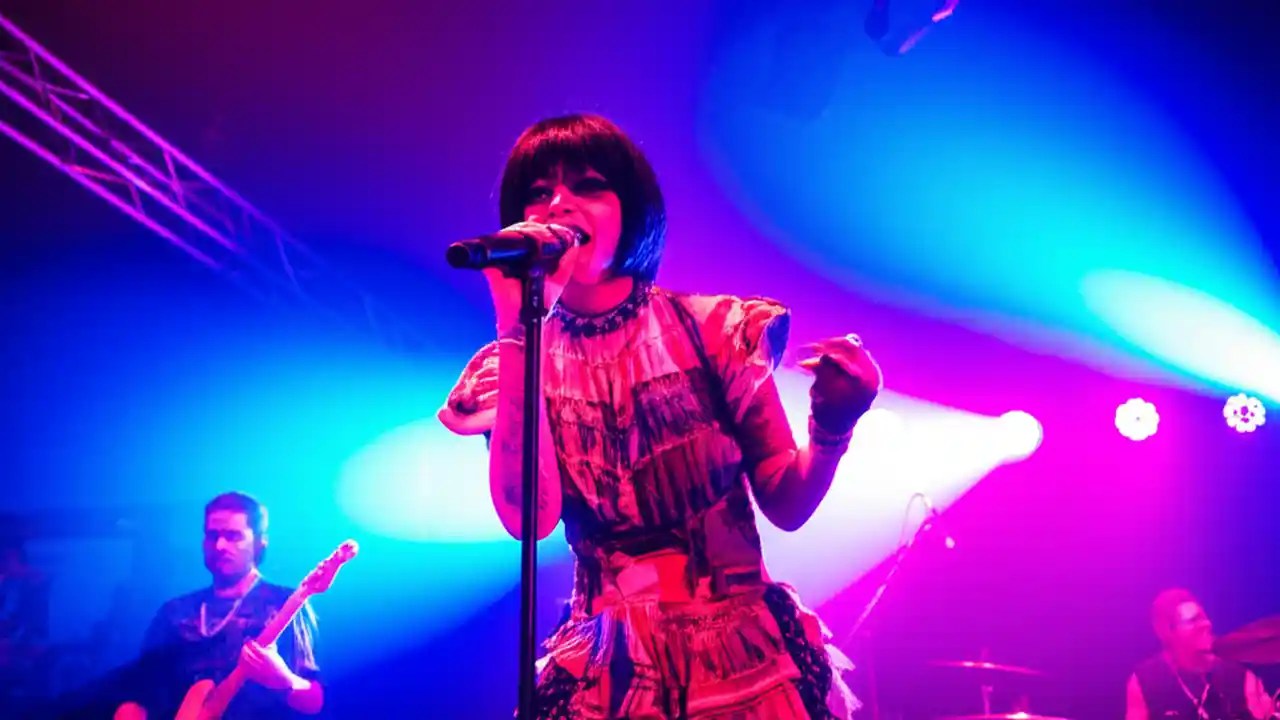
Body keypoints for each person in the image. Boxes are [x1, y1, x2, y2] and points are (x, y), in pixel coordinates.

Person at [440, 113, 882, 719]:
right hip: (608, 672)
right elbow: (528, 520)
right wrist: (518, 329)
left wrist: (833, 427)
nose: (558, 203)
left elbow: (786, 502)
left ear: (633, 206)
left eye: (587, 184)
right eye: (538, 192)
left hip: (739, 660)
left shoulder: (714, 330)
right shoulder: (514, 362)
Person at [114, 492, 323, 719]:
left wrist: (285, 680)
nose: (220, 545)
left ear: (259, 542)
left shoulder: (286, 604)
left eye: (233, 536)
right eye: (212, 535)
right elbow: (140, 690)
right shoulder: (174, 612)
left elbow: (318, 700)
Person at [1125, 588, 1275, 720]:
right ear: (1168, 633)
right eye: (1193, 621)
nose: (1206, 624)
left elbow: (1265, 714)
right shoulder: (1146, 680)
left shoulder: (1239, 676)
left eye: (1204, 617)